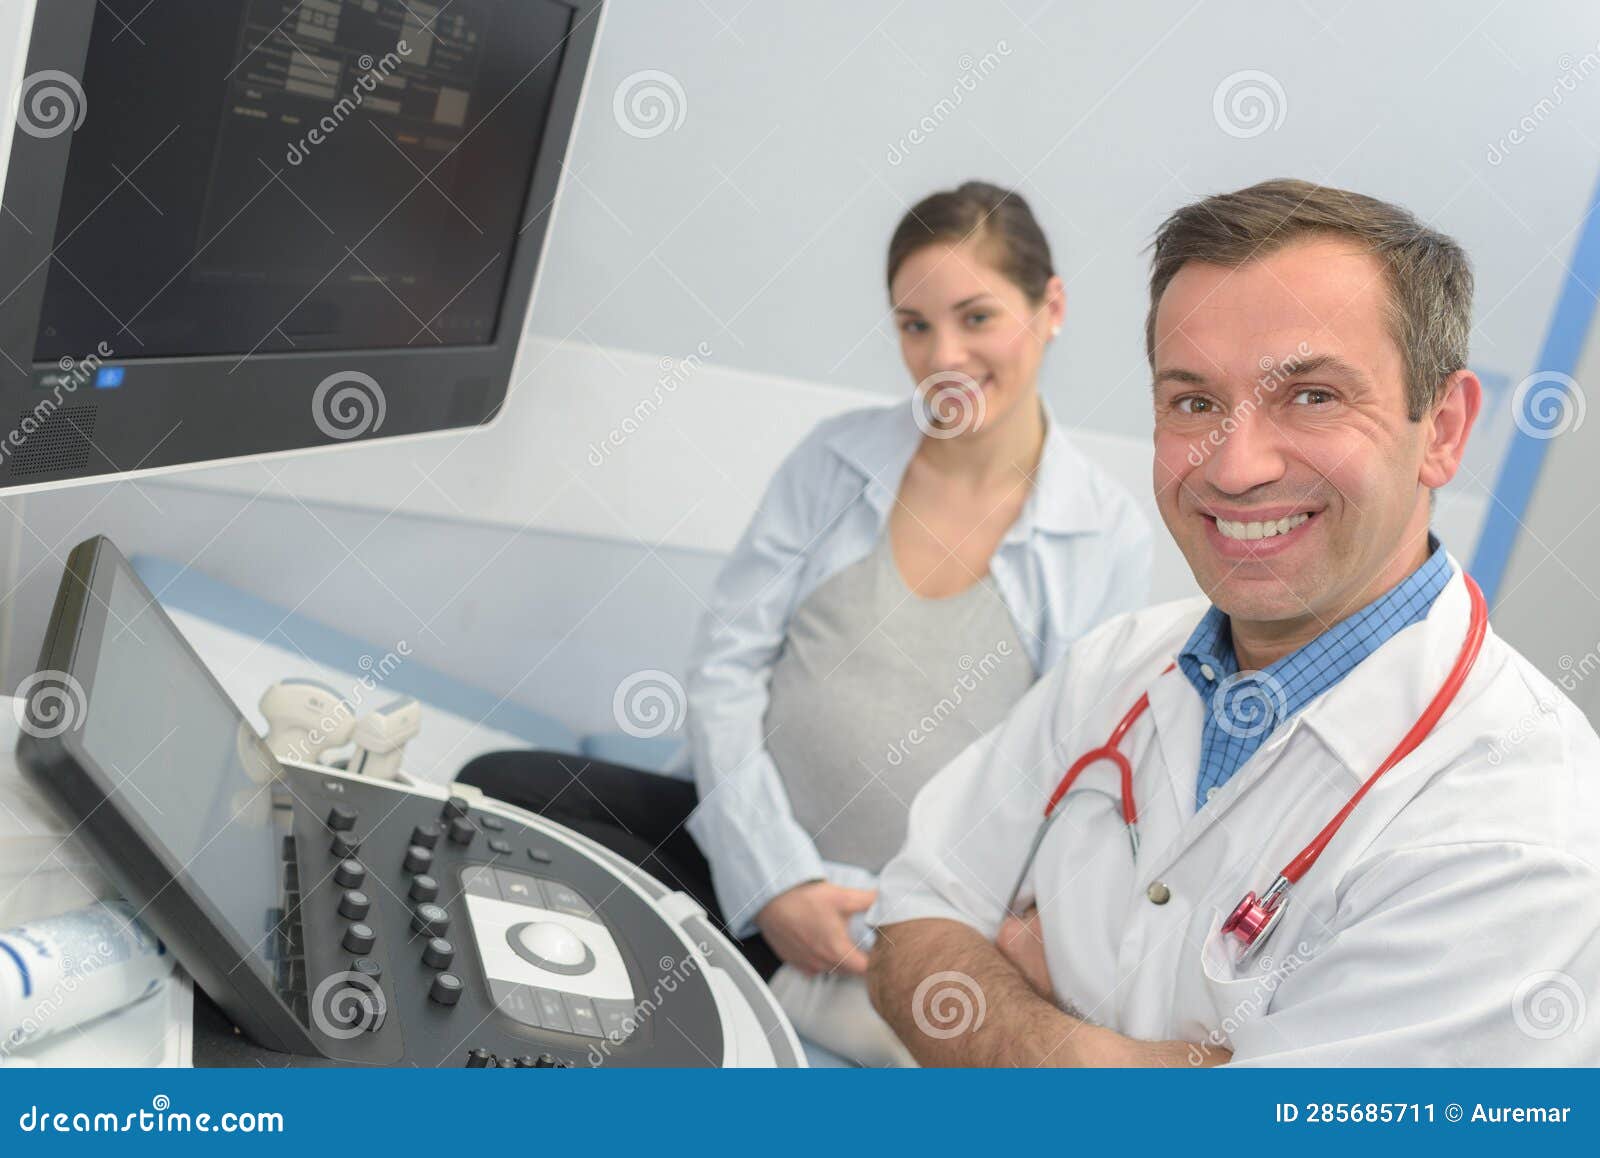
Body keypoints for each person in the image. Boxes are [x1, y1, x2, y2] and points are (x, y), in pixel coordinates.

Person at [866, 178, 1600, 1067]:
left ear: (1442, 428)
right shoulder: (1120, 665)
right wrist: (1124, 1065)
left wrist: (1014, 993)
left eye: (1314, 396)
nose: (1237, 466)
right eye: (1194, 402)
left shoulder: (1514, 831)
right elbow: (911, 924)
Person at [456, 181, 1153, 1059]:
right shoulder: (832, 462)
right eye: (914, 324)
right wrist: (774, 880)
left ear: (1049, 307)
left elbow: (1062, 780)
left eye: (977, 318)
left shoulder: (1103, 534)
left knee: (557, 874)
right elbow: (726, 671)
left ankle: (763, 973)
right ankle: (750, 948)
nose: (944, 355)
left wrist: (884, 916)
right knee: (491, 791)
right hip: (748, 844)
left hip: (907, 913)